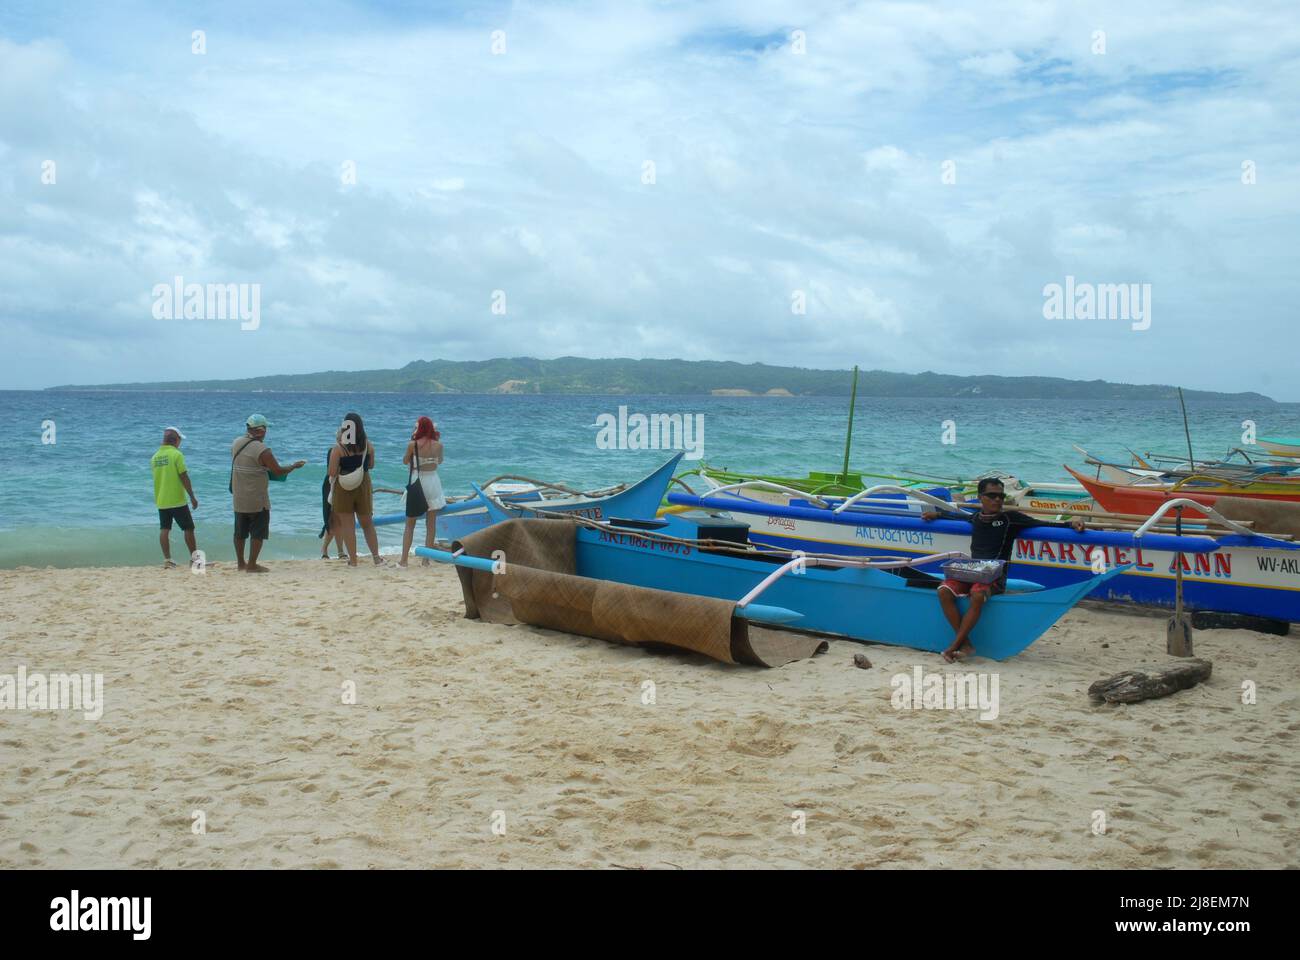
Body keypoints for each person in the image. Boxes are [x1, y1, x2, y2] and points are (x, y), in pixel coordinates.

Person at [922, 477, 1086, 662]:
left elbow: (1042, 524)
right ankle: (966, 644)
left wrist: (1070, 524)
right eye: (992, 496)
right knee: (943, 590)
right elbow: (960, 516)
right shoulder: (976, 517)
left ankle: (953, 646)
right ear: (980, 497)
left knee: (977, 595)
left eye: (1001, 496)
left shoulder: (1010, 519)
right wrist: (936, 515)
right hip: (973, 572)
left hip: (995, 578)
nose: (997, 500)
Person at [230, 414, 306, 572]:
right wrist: (293, 466)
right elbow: (277, 471)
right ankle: (252, 565)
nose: (266, 432)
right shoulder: (263, 450)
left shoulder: (236, 443)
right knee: (258, 532)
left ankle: (240, 564)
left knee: (240, 532)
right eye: (265, 429)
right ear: (261, 430)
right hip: (257, 499)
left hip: (239, 497)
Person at [328, 412, 383, 566]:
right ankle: (376, 558)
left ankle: (353, 561)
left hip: (344, 486)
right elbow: (371, 465)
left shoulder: (338, 448)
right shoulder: (367, 445)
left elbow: (332, 472)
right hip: (363, 483)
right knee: (367, 523)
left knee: (347, 525)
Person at [399, 416, 447, 567]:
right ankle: (425, 560)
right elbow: (439, 461)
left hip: (417, 482)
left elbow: (405, 461)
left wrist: (413, 438)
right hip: (433, 481)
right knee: (431, 524)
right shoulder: (439, 445)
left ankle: (404, 560)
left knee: (410, 524)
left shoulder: (412, 444)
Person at [151, 426, 200, 569]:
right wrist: (192, 496)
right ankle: (195, 560)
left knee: (164, 529)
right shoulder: (176, 454)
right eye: (180, 440)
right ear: (175, 440)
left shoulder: (155, 457)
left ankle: (167, 560)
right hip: (177, 500)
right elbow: (183, 476)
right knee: (189, 528)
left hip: (161, 500)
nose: (180, 443)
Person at [318, 446, 346, 560]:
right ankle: (332, 550)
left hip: (343, 484)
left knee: (338, 520)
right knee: (332, 519)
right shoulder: (334, 450)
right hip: (332, 484)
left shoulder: (347, 450)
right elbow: (332, 471)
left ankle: (337, 550)